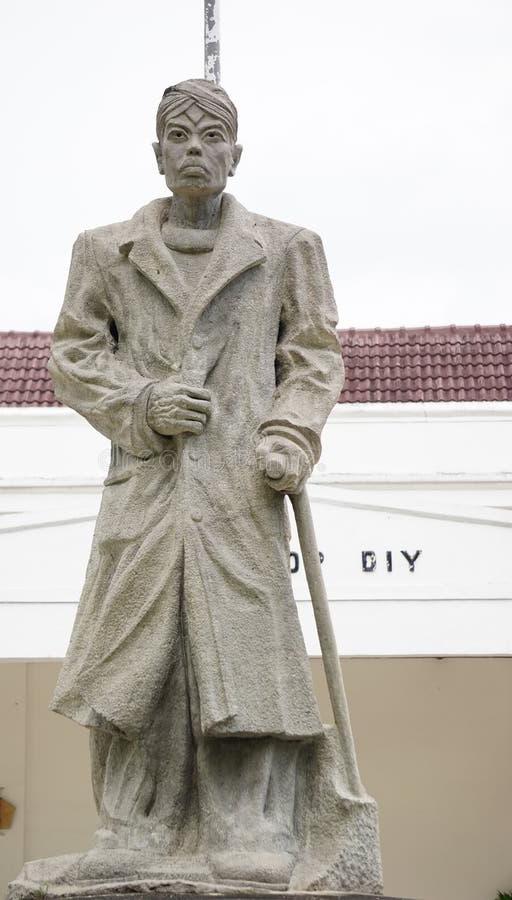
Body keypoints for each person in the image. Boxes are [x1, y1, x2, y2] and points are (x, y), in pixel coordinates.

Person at [47, 78, 345, 886]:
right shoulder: (102, 251)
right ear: (156, 153)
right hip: (144, 491)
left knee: (244, 655)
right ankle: (132, 828)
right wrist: (140, 401)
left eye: (211, 136)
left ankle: (247, 826)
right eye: (178, 135)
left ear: (236, 154)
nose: (194, 148)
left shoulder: (288, 248)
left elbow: (313, 354)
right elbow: (73, 357)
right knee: (135, 659)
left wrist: (287, 433)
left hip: (238, 489)